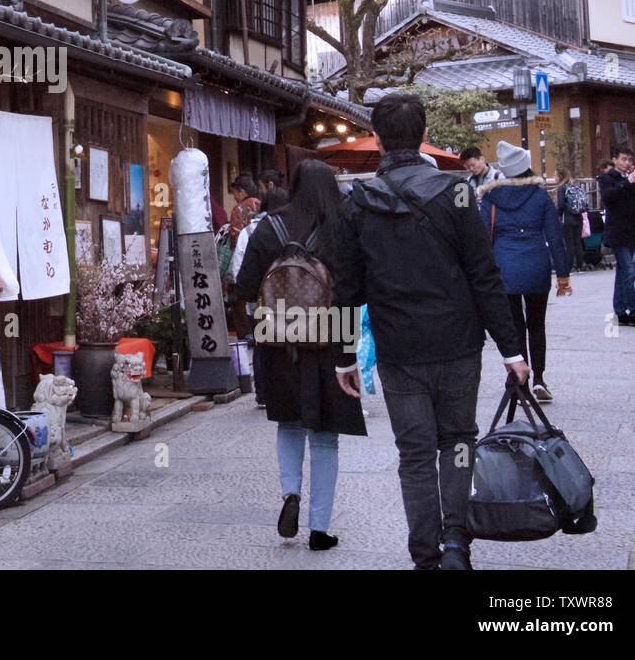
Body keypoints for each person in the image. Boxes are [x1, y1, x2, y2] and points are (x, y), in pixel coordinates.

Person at [331, 92, 528, 571]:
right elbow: (484, 275)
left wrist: (344, 356)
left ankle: (425, 554)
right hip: (459, 344)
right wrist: (512, 351)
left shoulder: (358, 203)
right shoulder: (457, 194)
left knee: (415, 453)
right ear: (422, 136)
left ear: (377, 137)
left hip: (400, 350)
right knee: (457, 441)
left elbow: (345, 285)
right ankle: (457, 543)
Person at [235, 161, 366, 552]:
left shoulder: (269, 226)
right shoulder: (341, 228)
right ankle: (320, 527)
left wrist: (266, 319)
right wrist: (349, 357)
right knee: (324, 438)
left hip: (278, 342)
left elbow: (243, 288)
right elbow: (351, 295)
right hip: (328, 344)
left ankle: (290, 494)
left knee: (289, 424)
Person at [478, 142, 571, 403]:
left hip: (505, 267)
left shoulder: (491, 197)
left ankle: (522, 380)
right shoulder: (540, 196)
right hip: (536, 265)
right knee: (537, 324)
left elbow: (484, 237)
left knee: (516, 326)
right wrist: (563, 275)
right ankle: (540, 378)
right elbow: (555, 237)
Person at [230, 187, 289, 409]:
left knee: (263, 344)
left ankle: (264, 393)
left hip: (263, 298)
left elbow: (239, 266)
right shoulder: (299, 224)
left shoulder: (252, 230)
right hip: (297, 296)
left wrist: (246, 295)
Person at [598, 145, 635, 328]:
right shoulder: (607, 178)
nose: (627, 163)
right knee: (629, 272)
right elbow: (608, 197)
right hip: (618, 231)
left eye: (629, 160)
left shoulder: (634, 177)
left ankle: (620, 311)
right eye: (623, 159)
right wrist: (627, 182)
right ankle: (633, 311)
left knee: (623, 273)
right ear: (614, 160)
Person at [555, 168, 588, 273]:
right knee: (578, 242)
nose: (554, 178)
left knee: (569, 243)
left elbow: (560, 205)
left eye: (555, 175)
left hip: (567, 218)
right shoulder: (574, 187)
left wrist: (558, 215)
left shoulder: (562, 189)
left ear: (560, 177)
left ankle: (570, 266)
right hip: (578, 217)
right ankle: (580, 265)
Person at [228, 174, 261, 246]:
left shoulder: (238, 209)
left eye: (234, 193)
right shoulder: (260, 204)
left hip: (243, 249)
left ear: (242, 192)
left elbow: (234, 235)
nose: (234, 197)